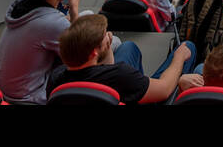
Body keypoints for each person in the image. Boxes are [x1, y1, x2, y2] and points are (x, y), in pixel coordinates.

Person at [48, 14, 197, 104]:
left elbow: (105, 69)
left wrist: (106, 49)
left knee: (128, 46)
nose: (109, 34)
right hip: (134, 90)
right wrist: (179, 57)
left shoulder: (56, 76)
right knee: (187, 46)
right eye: (105, 34)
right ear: (94, 53)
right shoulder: (120, 75)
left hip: (119, 90)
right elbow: (164, 89)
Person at [0, 0, 79, 104]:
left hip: (7, 90)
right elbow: (81, 55)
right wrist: (75, 12)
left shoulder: (23, 4)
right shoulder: (53, 23)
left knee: (88, 15)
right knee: (111, 45)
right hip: (30, 98)